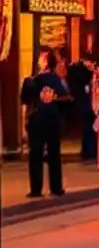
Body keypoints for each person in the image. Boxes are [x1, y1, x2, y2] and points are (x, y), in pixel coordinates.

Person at [21, 50, 70, 197]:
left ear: (44, 62)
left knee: (35, 154)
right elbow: (67, 98)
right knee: (54, 154)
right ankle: (56, 187)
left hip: (37, 120)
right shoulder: (58, 80)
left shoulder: (33, 80)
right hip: (53, 119)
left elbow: (25, 99)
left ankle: (36, 189)